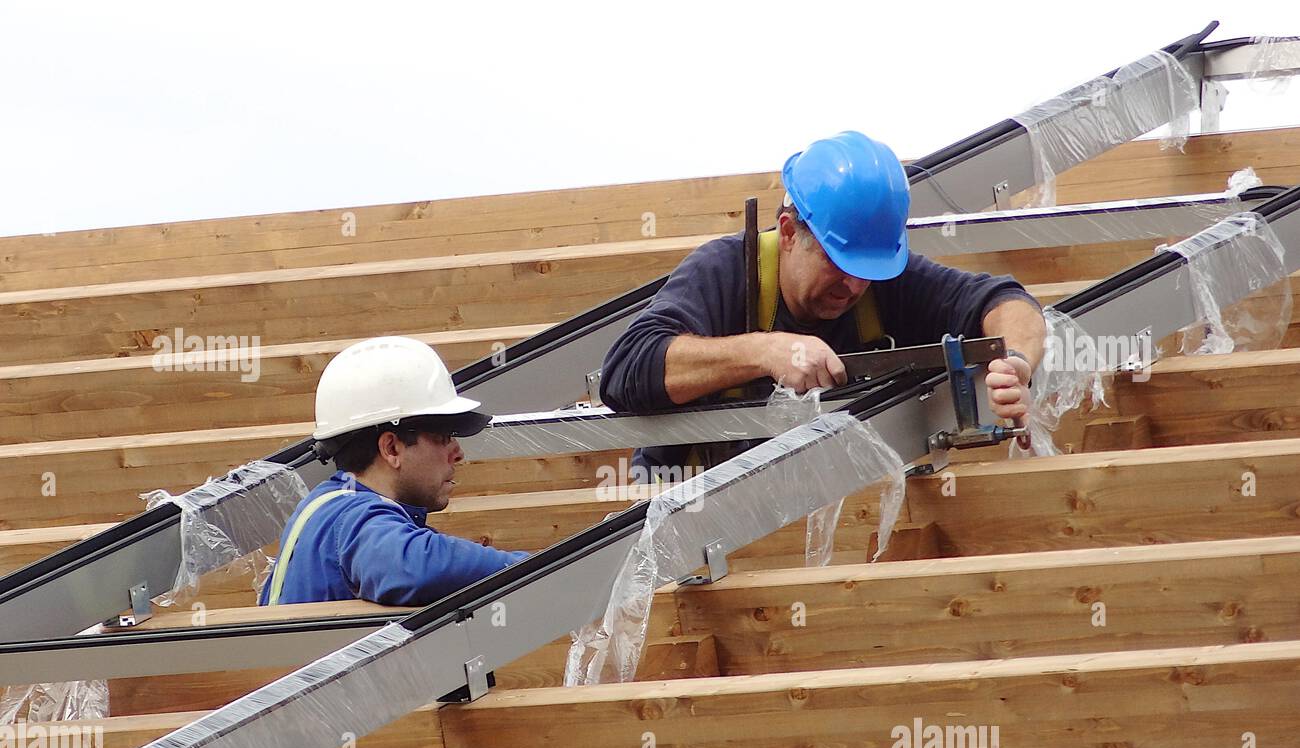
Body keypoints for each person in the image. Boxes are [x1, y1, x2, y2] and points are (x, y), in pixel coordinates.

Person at [599, 130, 1046, 471]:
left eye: (867, 272)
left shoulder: (881, 278)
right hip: (685, 513)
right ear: (789, 233)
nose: (853, 286)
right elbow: (625, 371)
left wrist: (1017, 363)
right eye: (837, 263)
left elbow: (1005, 300)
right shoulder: (726, 271)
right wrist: (766, 351)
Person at [259, 336, 527, 607]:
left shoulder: (329, 506)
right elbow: (415, 569)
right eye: (443, 437)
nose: (458, 453)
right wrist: (530, 568)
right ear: (392, 449)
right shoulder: (353, 517)